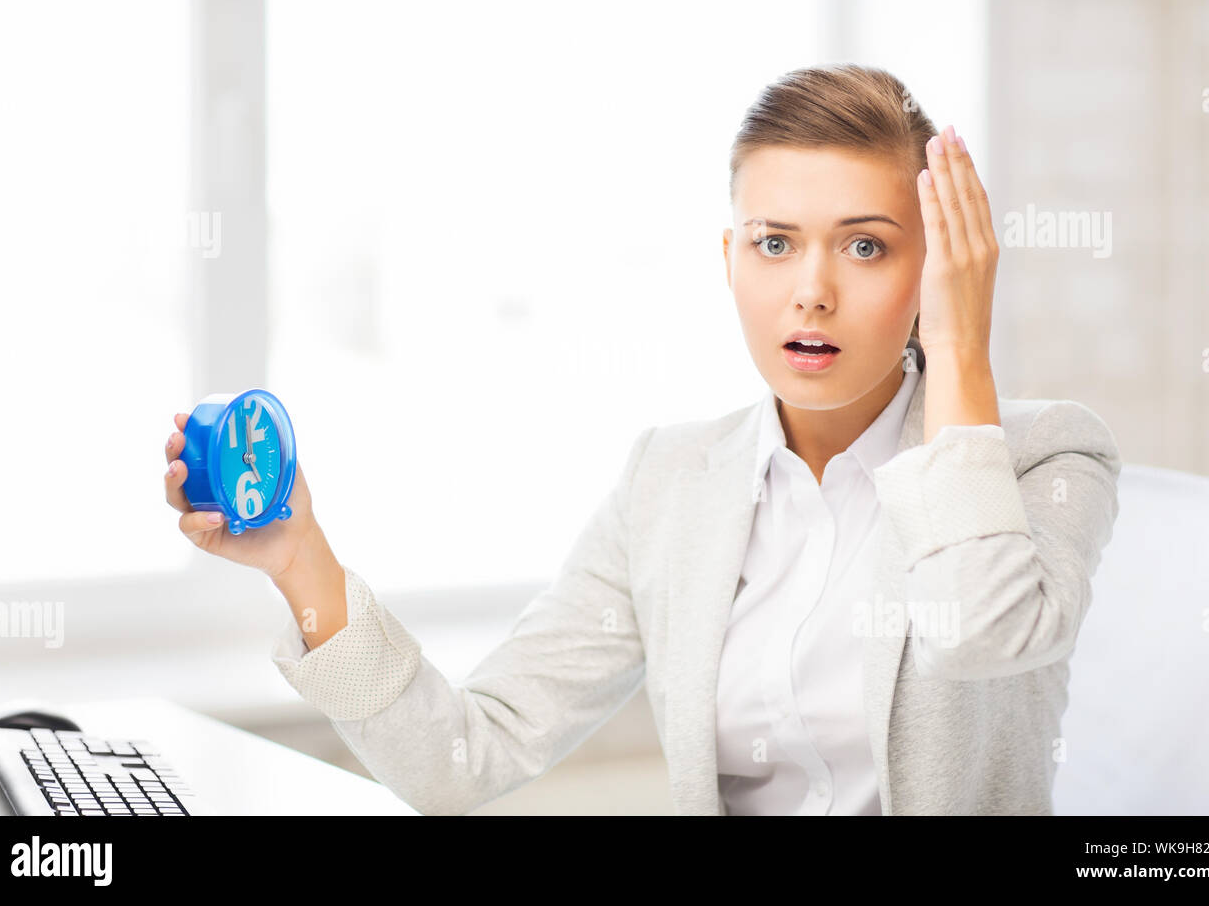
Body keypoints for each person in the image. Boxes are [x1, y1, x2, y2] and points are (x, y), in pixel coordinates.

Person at [161, 64, 1121, 815]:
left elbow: (981, 637)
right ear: (731, 260)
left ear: (939, 267)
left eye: (866, 245)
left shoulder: (1044, 459)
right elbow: (465, 758)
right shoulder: (671, 485)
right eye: (774, 243)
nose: (812, 291)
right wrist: (300, 561)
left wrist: (958, 346)